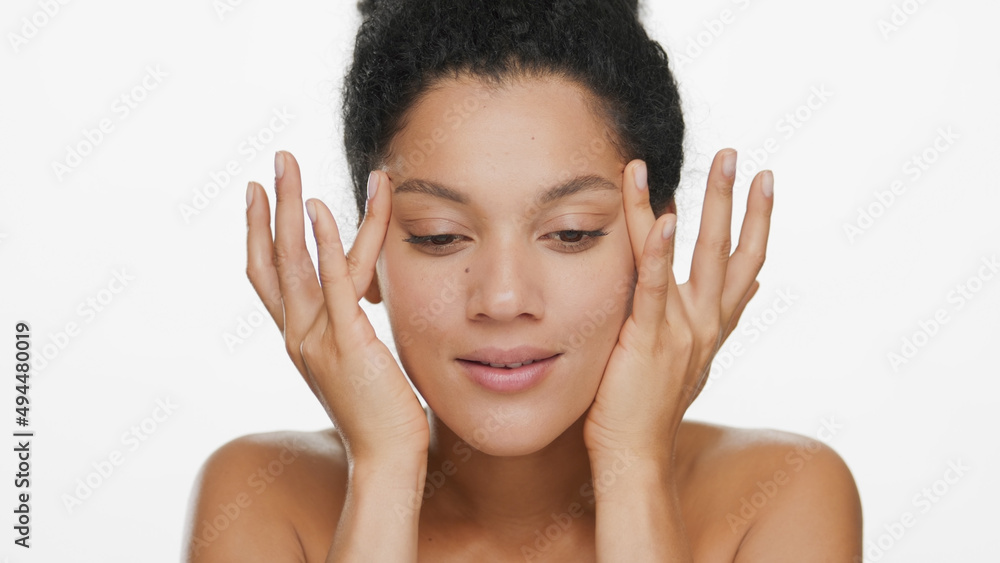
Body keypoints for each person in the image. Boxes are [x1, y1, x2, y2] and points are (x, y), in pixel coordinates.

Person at [183, 0, 862, 560]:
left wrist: (634, 463)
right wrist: (384, 466)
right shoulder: (265, 499)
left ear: (654, 242)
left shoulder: (781, 495)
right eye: (439, 235)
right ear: (367, 252)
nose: (504, 299)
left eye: (570, 233)